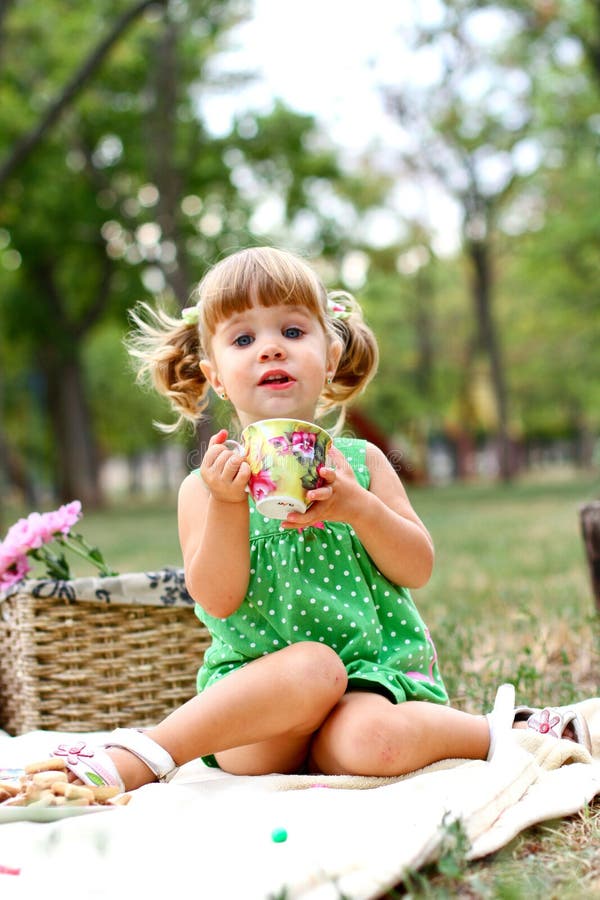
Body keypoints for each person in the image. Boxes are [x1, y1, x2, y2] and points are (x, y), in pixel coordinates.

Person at [46, 247, 592, 792]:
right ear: (215, 377)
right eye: (243, 339)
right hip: (261, 699)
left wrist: (359, 508)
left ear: (329, 357)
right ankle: (144, 753)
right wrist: (229, 506)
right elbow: (217, 599)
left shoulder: (361, 465)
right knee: (311, 667)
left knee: (368, 741)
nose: (269, 350)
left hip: (369, 683)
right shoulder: (204, 489)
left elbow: (417, 567)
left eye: (291, 331)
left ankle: (506, 732)